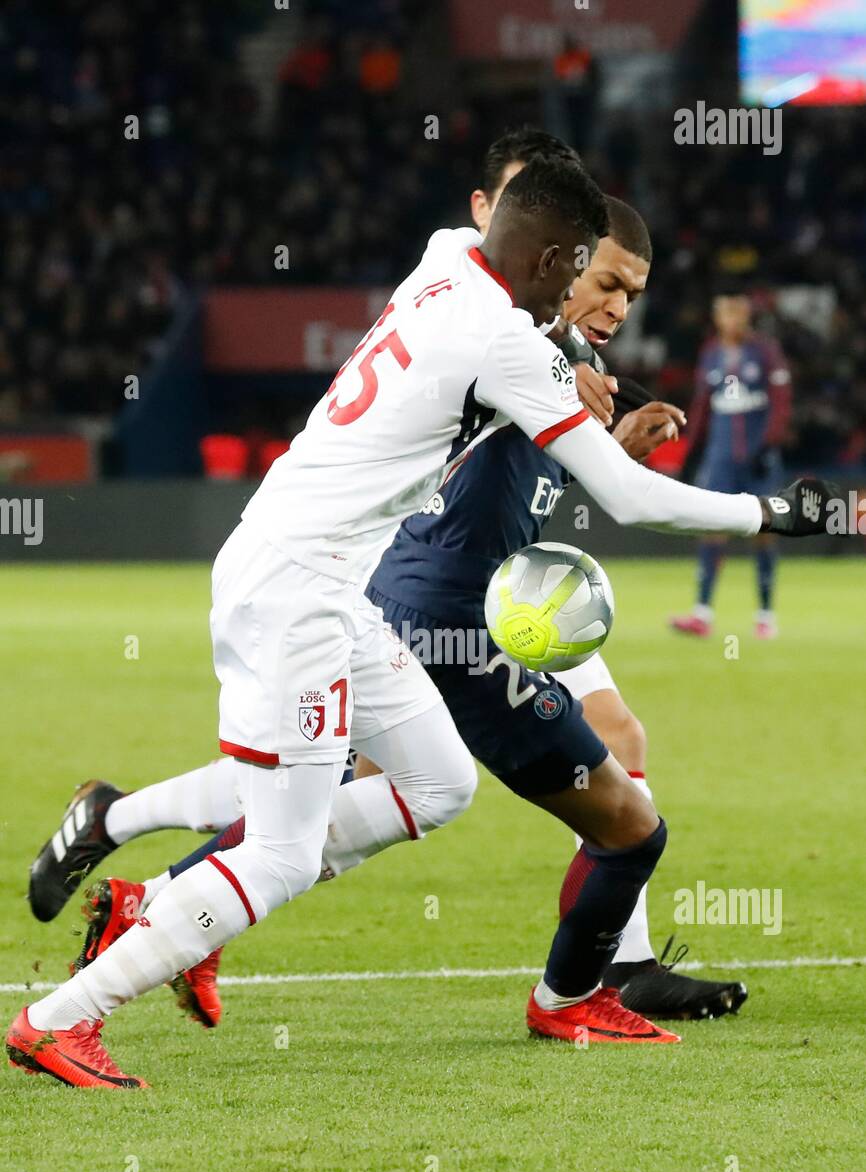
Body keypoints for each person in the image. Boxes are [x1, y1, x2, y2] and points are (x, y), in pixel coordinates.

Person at [11, 153, 835, 1087]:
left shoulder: (447, 259)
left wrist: (569, 361)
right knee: (280, 850)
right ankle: (64, 1016)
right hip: (301, 592)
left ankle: (150, 879)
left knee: (438, 779)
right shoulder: (511, 345)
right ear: (559, 254)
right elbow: (631, 498)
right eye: (580, 272)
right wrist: (770, 514)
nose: (579, 296)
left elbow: (506, 317)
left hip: (325, 577)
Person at [670, 290, 792, 639]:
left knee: (765, 533)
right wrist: (689, 452)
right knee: (713, 529)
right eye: (726, 314)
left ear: (747, 318)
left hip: (759, 459)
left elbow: (781, 404)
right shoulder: (711, 355)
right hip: (720, 459)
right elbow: (703, 407)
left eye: (738, 315)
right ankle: (702, 614)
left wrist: (769, 444)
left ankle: (765, 616)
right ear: (718, 318)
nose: (733, 321)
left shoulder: (766, 352)